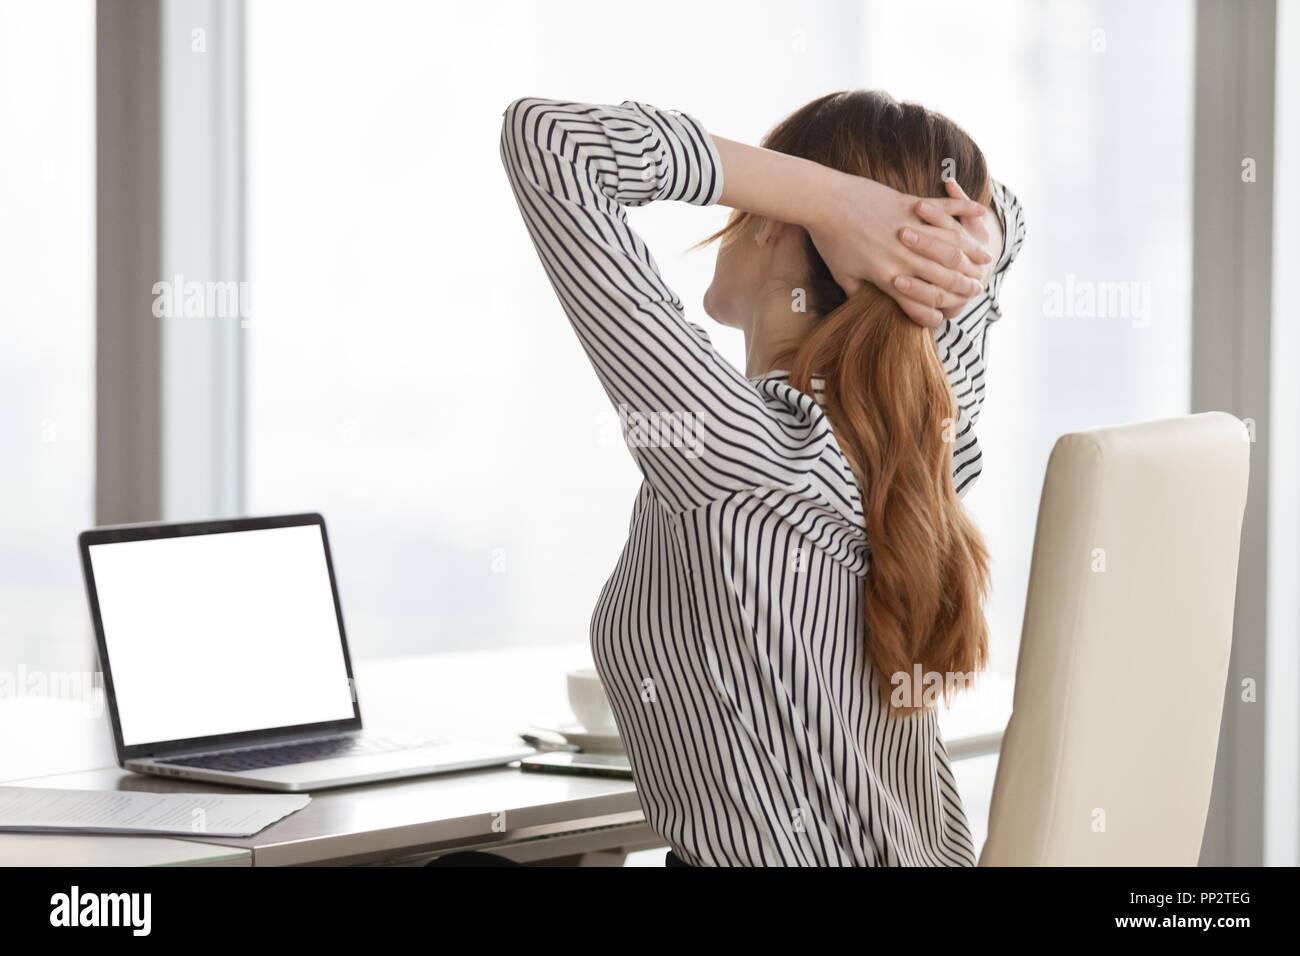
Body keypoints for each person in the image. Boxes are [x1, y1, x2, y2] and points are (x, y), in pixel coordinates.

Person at [498, 90, 1026, 866]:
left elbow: (551, 142)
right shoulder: (926, 438)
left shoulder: (736, 450)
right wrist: (878, 220)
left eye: (768, 188)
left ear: (779, 219)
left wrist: (833, 200)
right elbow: (1001, 216)